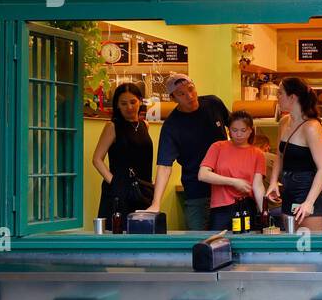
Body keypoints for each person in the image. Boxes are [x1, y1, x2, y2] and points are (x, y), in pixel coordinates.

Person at [146, 73, 230, 230]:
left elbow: (237, 127)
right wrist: (156, 203)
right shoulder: (171, 126)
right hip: (197, 191)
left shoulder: (213, 103)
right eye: (182, 94)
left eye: (191, 89)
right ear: (173, 98)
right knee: (197, 238)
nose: (189, 96)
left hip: (227, 188)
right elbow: (164, 166)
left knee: (233, 237)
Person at [266, 77, 322, 231]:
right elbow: (279, 156)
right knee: (291, 240)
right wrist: (273, 182)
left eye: (280, 93)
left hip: (309, 190)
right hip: (289, 190)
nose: (277, 97)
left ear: (292, 97)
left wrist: (309, 202)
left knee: (309, 241)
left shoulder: (311, 126)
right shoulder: (284, 122)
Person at [92, 82, 154, 221]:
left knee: (142, 229)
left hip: (143, 190)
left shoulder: (145, 125)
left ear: (140, 101)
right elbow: (97, 159)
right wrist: (114, 183)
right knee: (117, 230)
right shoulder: (112, 126)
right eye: (124, 103)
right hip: (119, 192)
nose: (129, 107)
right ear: (117, 105)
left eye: (133, 102)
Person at [198, 111, 266, 231]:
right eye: (234, 130)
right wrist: (234, 182)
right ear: (228, 130)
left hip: (246, 207)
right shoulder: (218, 147)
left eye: (243, 130)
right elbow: (203, 175)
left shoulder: (258, 154)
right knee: (217, 240)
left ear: (250, 130)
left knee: (246, 240)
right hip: (220, 208)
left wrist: (264, 213)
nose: (239, 134)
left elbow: (258, 185)